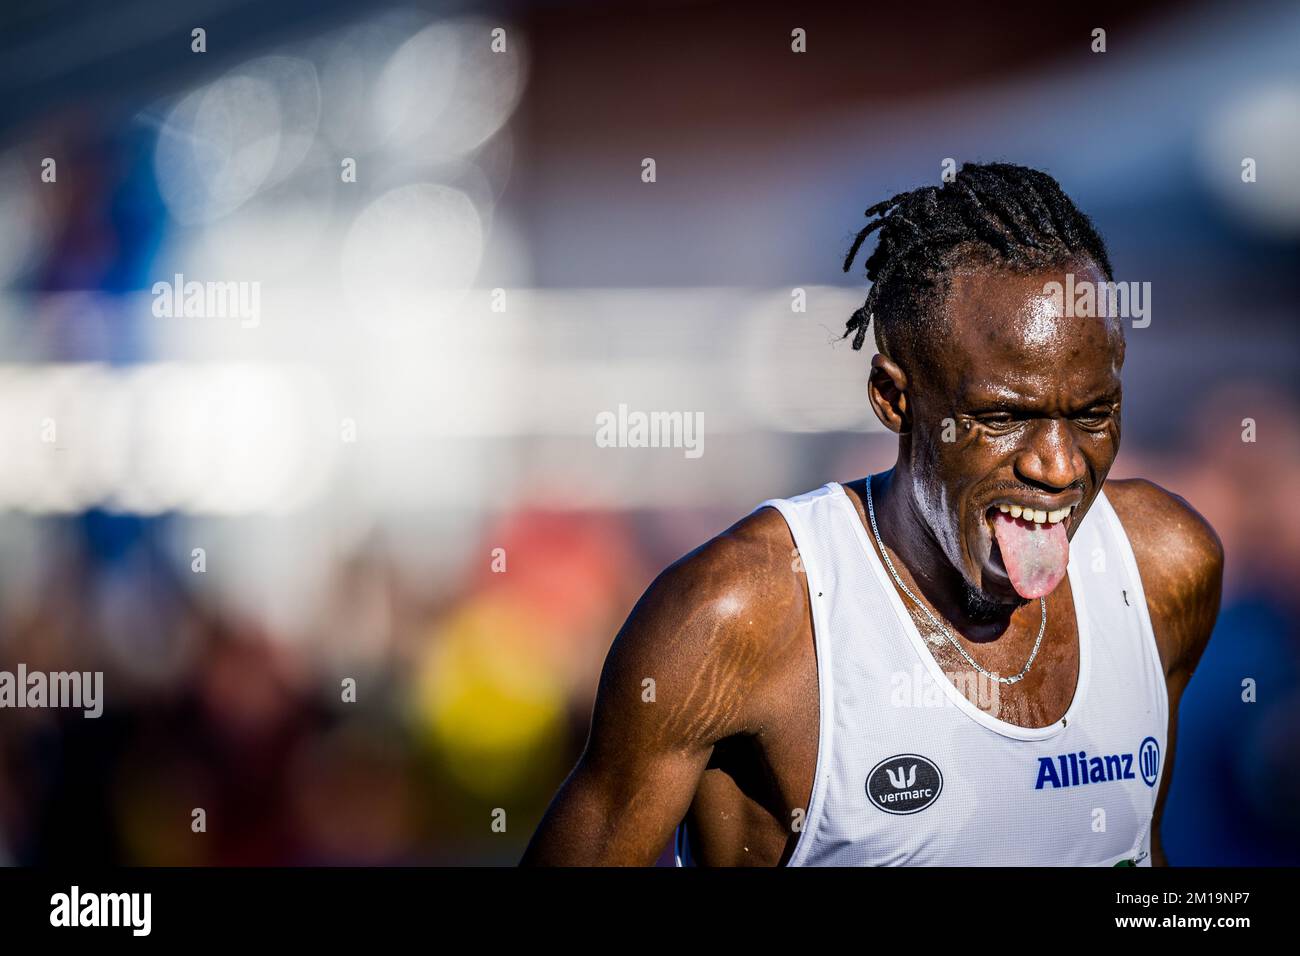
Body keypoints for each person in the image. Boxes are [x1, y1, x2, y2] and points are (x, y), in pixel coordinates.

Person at [521, 162, 1223, 866]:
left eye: (1093, 414)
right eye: (1004, 416)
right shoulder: (742, 616)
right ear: (894, 399)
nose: (1059, 465)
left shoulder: (1166, 568)